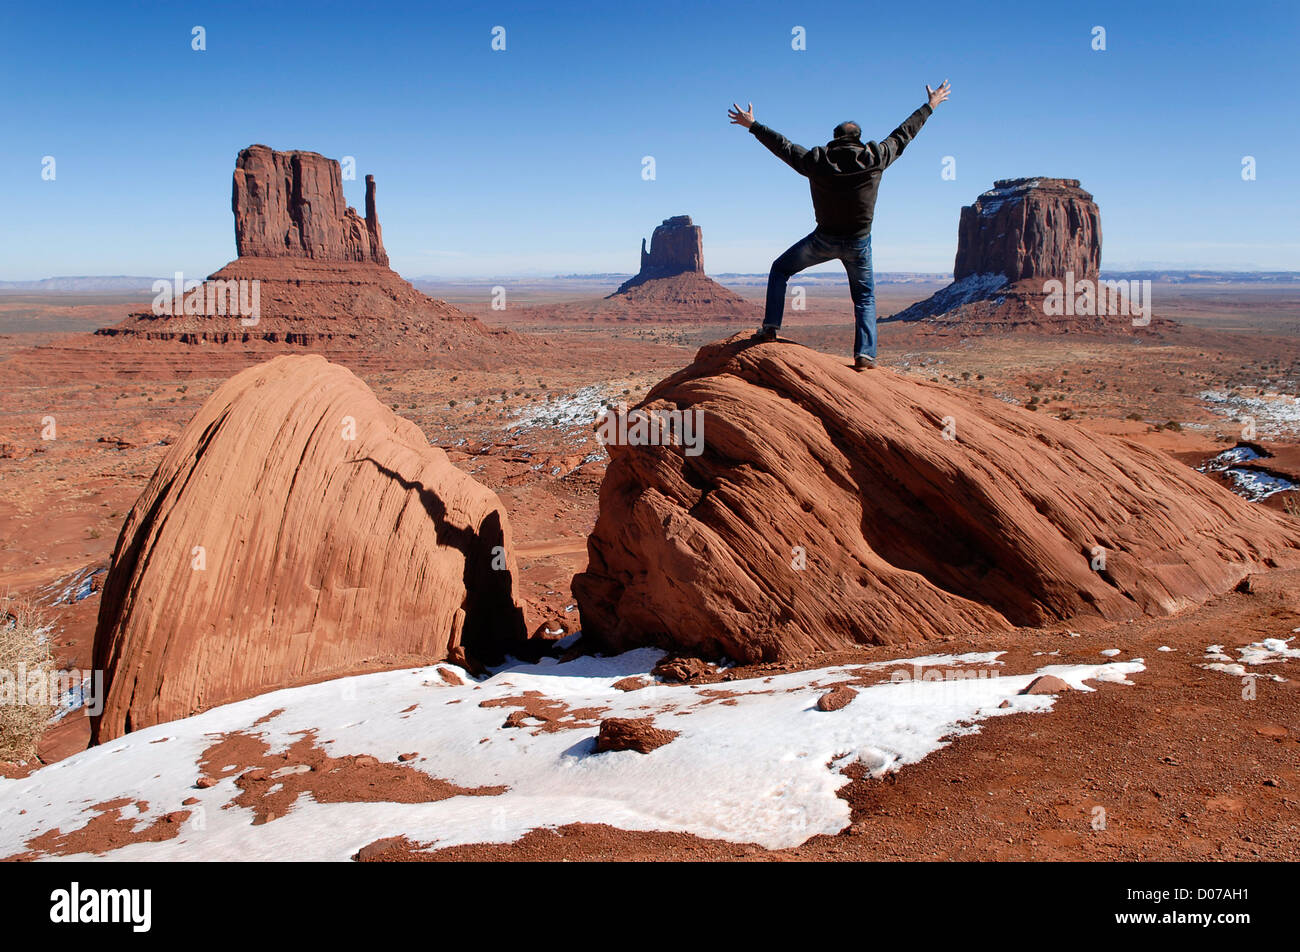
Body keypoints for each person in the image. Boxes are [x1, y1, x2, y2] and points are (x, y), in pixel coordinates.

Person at [728, 81, 951, 370]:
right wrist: (930, 105)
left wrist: (753, 125)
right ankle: (865, 356)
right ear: (859, 139)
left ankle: (770, 328)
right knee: (864, 298)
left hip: (823, 240)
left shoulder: (816, 161)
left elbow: (782, 147)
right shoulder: (876, 157)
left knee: (780, 269)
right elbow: (904, 133)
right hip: (859, 243)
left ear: (833, 139)